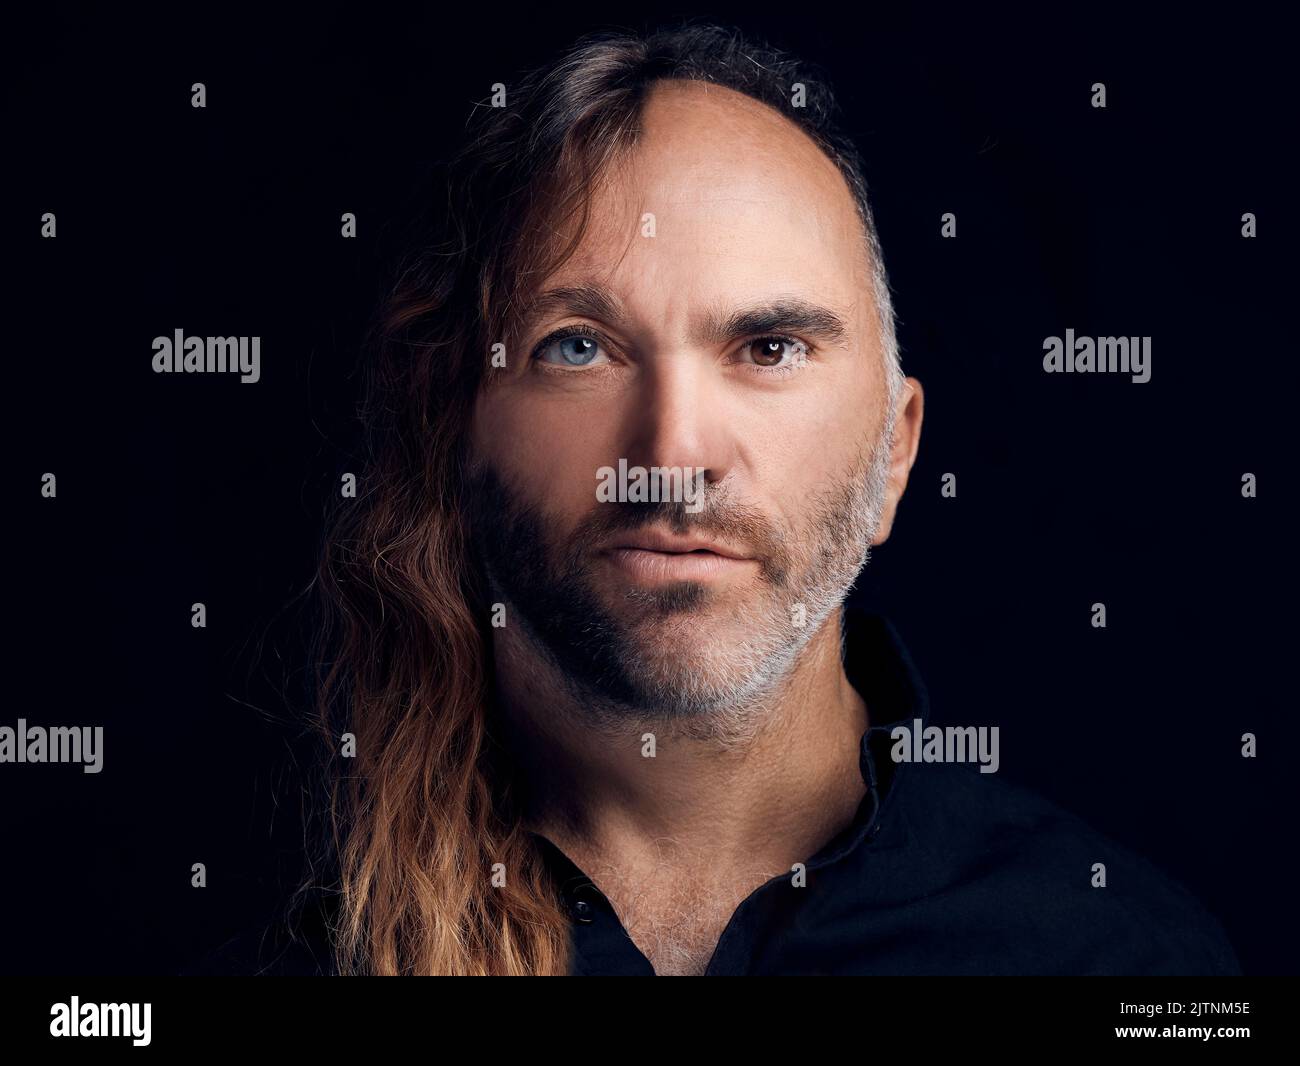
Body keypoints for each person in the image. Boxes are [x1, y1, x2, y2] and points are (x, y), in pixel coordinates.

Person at [185, 22, 1239, 977]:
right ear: (458, 435)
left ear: (897, 452)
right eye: (580, 347)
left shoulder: (1122, 962)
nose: (672, 452)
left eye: (769, 347)